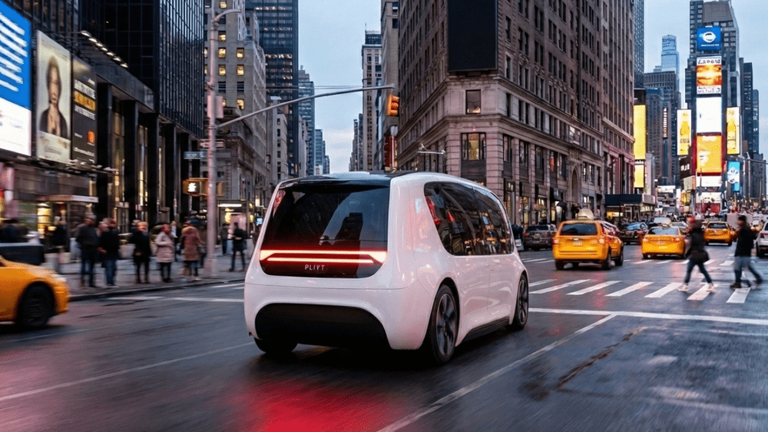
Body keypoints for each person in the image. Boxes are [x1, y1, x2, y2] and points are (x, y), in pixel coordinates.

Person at [38, 57, 69, 138]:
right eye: (51, 82)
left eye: (56, 83)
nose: (54, 90)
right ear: (48, 84)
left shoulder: (63, 121)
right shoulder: (44, 116)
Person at [681, 219, 715, 292]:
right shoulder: (699, 233)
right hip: (698, 254)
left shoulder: (694, 234)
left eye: (690, 224)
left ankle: (686, 285)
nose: (689, 225)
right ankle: (710, 284)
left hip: (695, 255)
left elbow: (692, 245)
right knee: (702, 270)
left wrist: (687, 253)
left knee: (690, 270)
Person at [732, 215, 763, 289]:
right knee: (748, 267)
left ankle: (738, 282)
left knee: (737, 268)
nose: (738, 222)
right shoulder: (746, 229)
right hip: (745, 252)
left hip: (741, 252)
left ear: (743, 221)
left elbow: (745, 241)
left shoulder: (744, 230)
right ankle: (758, 279)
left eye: (740, 221)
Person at [75, 215, 100, 288]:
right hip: (85, 249)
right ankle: (83, 281)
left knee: (92, 267)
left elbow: (96, 238)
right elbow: (77, 238)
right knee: (84, 265)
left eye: (93, 220)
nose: (92, 221)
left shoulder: (93, 229)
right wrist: (84, 243)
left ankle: (91, 282)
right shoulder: (82, 228)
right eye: (90, 220)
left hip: (93, 249)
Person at [99, 218, 121, 287]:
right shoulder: (105, 232)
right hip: (108, 252)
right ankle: (109, 282)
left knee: (113, 268)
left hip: (113, 252)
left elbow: (117, 242)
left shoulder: (115, 232)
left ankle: (111, 282)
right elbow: (101, 241)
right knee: (109, 268)